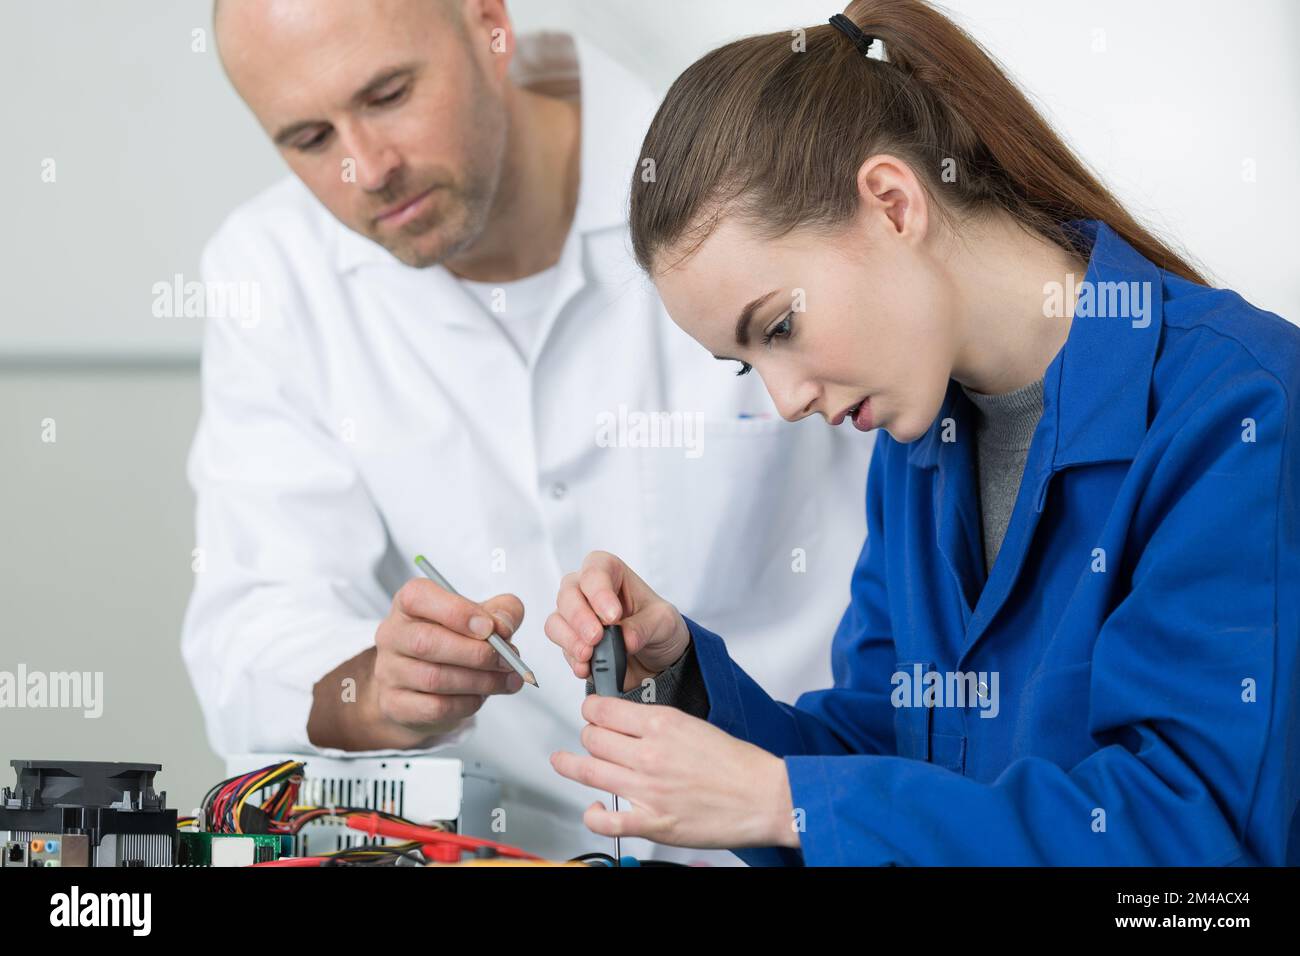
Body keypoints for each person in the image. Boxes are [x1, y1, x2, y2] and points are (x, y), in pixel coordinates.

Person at [546, 0, 1300, 865]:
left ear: (893, 204)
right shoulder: (918, 446)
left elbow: (1196, 849)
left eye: (779, 327)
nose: (785, 400)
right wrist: (688, 680)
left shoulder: (1245, 411)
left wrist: (787, 803)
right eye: (745, 363)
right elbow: (887, 761)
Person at [181, 0, 872, 863]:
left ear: (487, 22)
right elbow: (249, 623)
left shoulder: (738, 172)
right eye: (310, 139)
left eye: (390, 93)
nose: (368, 169)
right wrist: (378, 689)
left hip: (810, 830)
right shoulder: (273, 272)